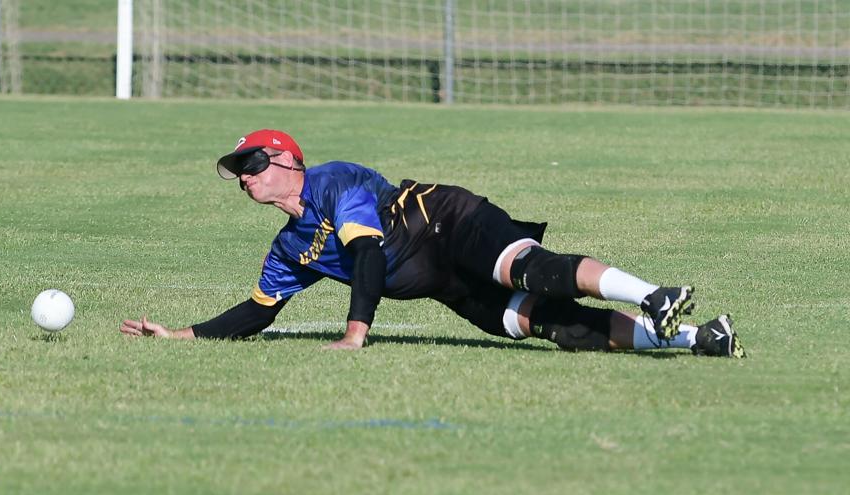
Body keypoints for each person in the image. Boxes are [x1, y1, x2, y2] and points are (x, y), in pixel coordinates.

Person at [120, 129, 746, 358]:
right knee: (553, 328)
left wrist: (356, 332)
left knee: (530, 270)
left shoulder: (334, 181)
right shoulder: (290, 248)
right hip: (445, 286)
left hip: (445, 219)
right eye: (238, 168)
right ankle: (700, 337)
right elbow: (258, 310)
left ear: (286, 157)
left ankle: (655, 295)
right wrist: (180, 336)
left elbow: (366, 253)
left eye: (253, 160)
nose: (246, 173)